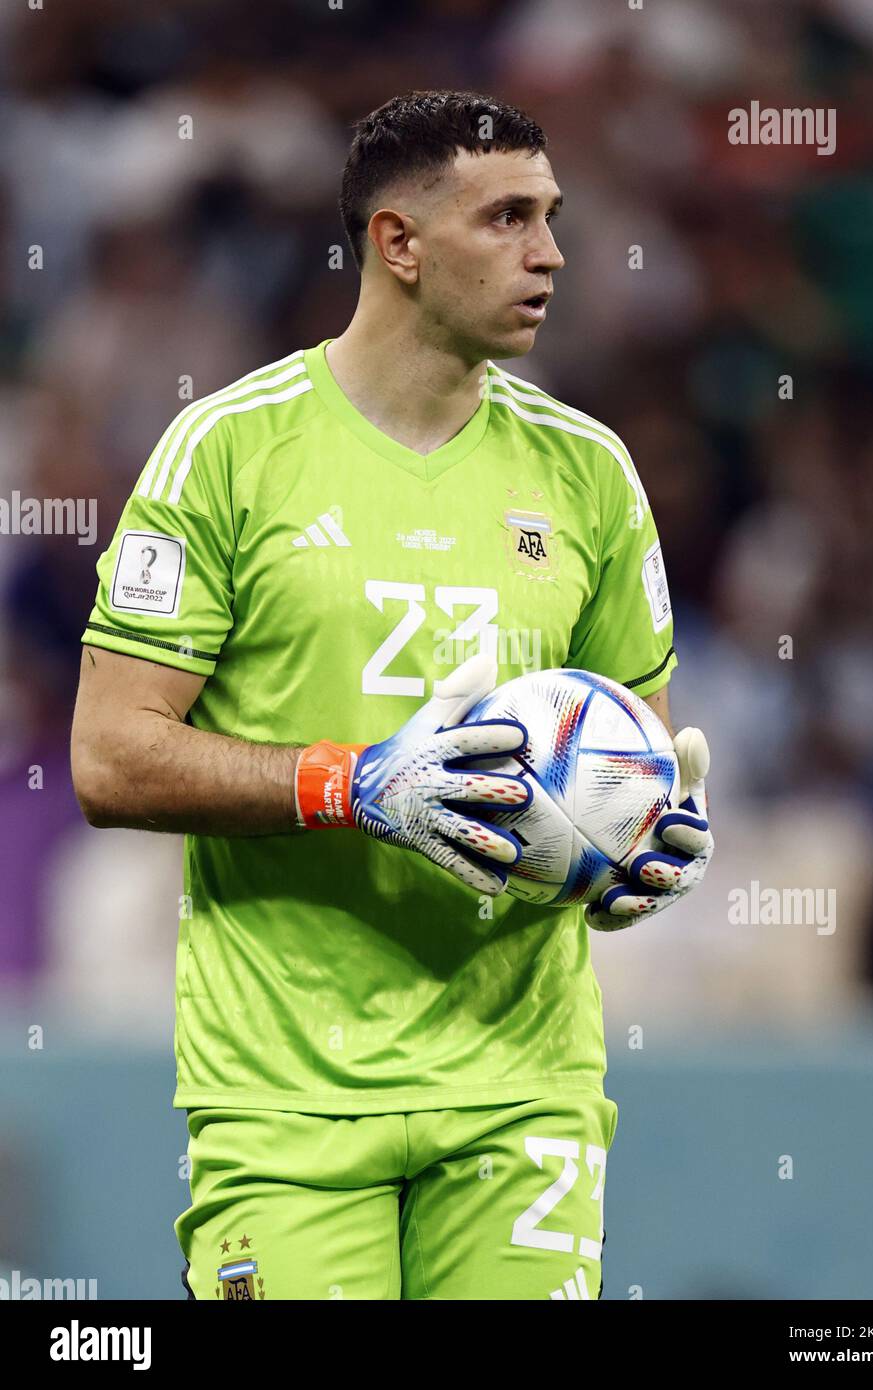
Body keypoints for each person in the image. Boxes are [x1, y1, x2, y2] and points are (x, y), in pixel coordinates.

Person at [70, 90, 713, 1301]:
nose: (552, 253)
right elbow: (110, 757)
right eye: (508, 217)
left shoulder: (589, 474)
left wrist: (634, 856)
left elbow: (626, 756)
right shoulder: (225, 453)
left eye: (552, 217)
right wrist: (354, 787)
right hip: (285, 1093)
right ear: (398, 245)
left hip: (521, 1090)